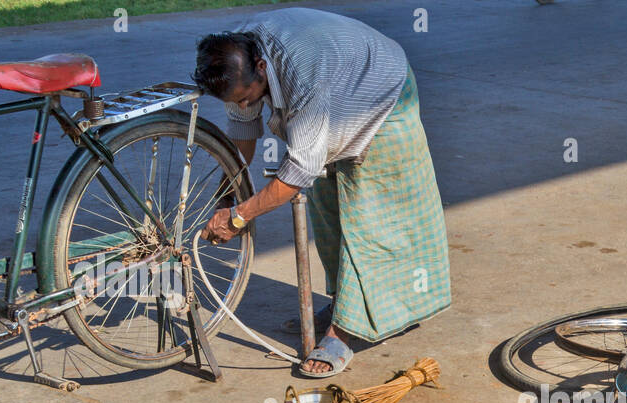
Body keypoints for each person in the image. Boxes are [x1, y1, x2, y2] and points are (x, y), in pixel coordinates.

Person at [193, 8, 451, 377]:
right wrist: (226, 195)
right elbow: (242, 140)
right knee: (327, 212)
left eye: (248, 97)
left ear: (262, 68)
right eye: (236, 101)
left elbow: (298, 172)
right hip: (341, 86)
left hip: (381, 93)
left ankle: (344, 332)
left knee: (370, 223)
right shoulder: (233, 58)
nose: (246, 106)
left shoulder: (303, 76)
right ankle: (346, 305)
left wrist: (239, 216)